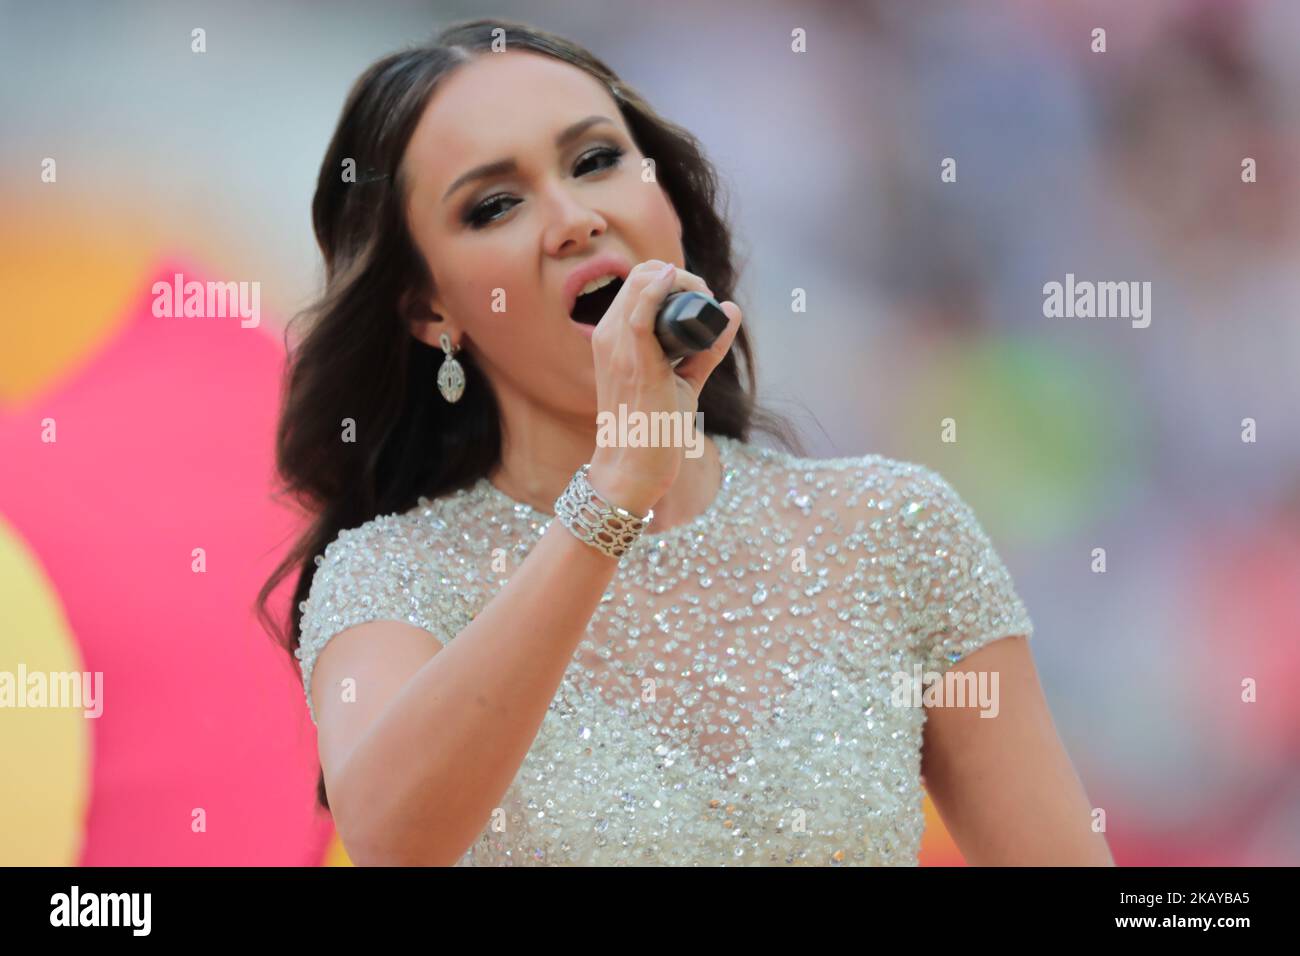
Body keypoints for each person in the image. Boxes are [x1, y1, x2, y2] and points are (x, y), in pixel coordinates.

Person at [259, 18, 1114, 866]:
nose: (574, 218)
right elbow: (392, 841)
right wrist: (616, 490)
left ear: (665, 197)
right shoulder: (391, 577)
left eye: (595, 161)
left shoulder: (896, 531)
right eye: (495, 206)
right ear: (427, 308)